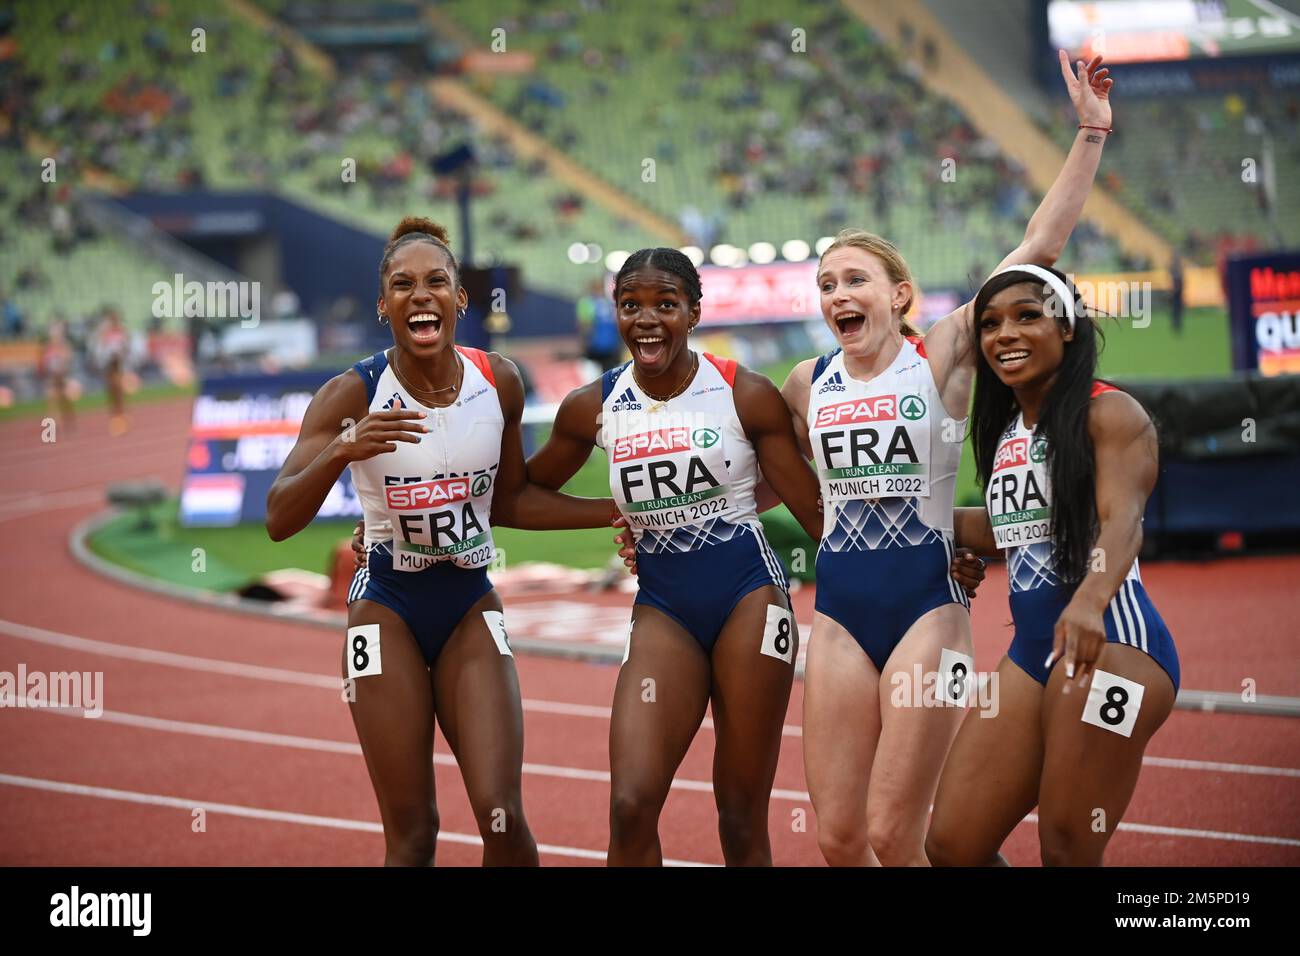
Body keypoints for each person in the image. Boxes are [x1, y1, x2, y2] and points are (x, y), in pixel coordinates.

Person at [779, 50, 1115, 866]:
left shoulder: (941, 355)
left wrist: (1091, 133)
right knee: (839, 838)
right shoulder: (803, 383)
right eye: (825, 285)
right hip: (837, 618)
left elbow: (1037, 246)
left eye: (854, 279)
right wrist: (638, 531)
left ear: (897, 294)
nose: (836, 297)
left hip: (931, 611)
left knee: (902, 836)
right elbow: (771, 477)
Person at [266, 217, 616, 866]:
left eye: (435, 283)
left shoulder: (500, 381)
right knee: (414, 834)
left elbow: (511, 501)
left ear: (459, 300)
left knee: (502, 818)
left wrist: (615, 510)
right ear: (384, 306)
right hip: (387, 607)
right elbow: (280, 518)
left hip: (468, 602)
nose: (419, 295)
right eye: (402, 285)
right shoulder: (352, 393)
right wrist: (343, 449)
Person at [926, 265, 1178, 866]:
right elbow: (1010, 528)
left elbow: (1123, 520)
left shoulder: (1111, 412)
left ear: (1066, 326)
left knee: (1066, 848)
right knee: (952, 844)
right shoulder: (1007, 428)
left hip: (1111, 644)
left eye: (1026, 316)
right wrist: (915, 517)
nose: (1004, 334)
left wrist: (1089, 601)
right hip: (1034, 655)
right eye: (989, 324)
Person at [95, 307, 130, 436]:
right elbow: (101, 348)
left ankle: (121, 416)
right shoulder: (105, 332)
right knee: (112, 393)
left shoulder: (122, 331)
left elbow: (126, 346)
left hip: (119, 365)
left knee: (119, 393)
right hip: (109, 365)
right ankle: (116, 417)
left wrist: (121, 353)